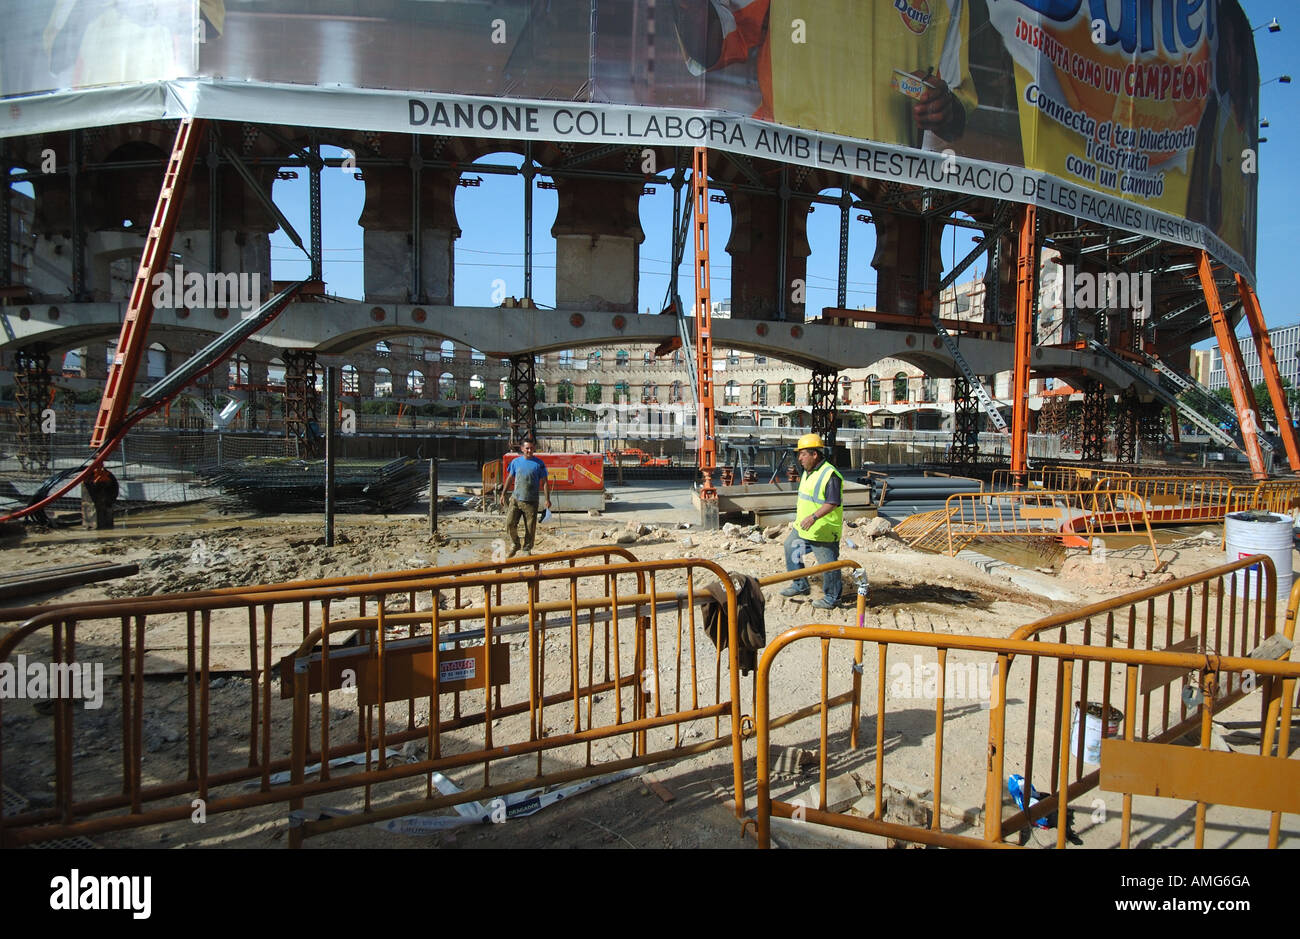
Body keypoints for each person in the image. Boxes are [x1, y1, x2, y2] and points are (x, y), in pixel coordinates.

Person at [671, 0, 977, 149]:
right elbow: (708, 46)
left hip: (886, 187)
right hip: (786, 168)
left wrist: (944, 108)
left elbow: (957, 105)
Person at [781, 432, 844, 610]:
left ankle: (833, 597)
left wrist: (814, 517)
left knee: (828, 565)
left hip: (823, 529)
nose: (799, 458)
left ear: (814, 454)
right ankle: (800, 584)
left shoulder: (830, 474)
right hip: (804, 528)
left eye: (803, 454)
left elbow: (832, 502)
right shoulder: (809, 472)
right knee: (791, 547)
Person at [502, 438, 551, 558]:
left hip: (531, 501)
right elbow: (509, 478)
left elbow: (545, 482)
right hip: (516, 499)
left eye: (531, 448)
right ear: (522, 449)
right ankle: (515, 543)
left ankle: (527, 548)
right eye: (527, 448)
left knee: (530, 528)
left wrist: (547, 499)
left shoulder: (539, 464)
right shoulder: (515, 462)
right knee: (509, 524)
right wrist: (503, 494)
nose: (529, 450)